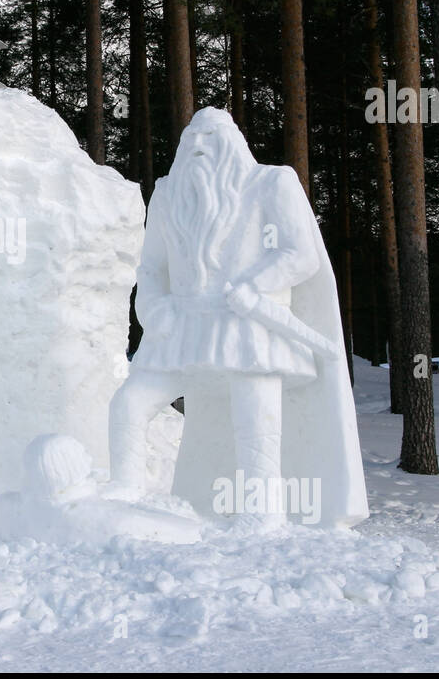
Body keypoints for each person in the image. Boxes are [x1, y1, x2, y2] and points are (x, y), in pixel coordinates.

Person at [107, 107, 368, 530]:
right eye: (191, 139)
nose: (199, 147)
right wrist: (154, 308)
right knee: (129, 405)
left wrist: (257, 283)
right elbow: (152, 267)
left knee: (255, 421)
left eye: (211, 137)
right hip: (181, 325)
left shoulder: (271, 183)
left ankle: (261, 513)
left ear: (233, 144)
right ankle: (127, 497)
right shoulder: (169, 193)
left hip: (250, 325)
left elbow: (298, 253)